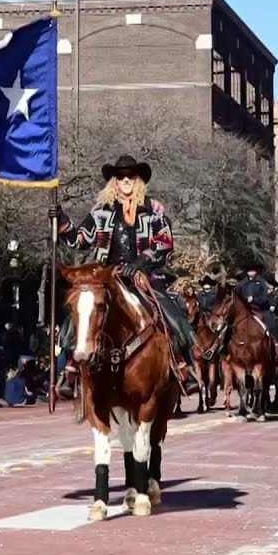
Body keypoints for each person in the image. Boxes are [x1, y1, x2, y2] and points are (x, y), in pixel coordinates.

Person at [53, 153, 201, 397]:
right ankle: (71, 366)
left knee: (170, 308)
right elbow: (81, 240)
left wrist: (141, 262)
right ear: (114, 181)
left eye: (131, 176)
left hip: (141, 275)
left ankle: (181, 364)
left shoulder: (153, 210)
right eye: (120, 176)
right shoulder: (101, 211)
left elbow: (165, 243)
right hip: (106, 275)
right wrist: (61, 221)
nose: (125, 180)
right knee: (81, 308)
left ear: (139, 179)